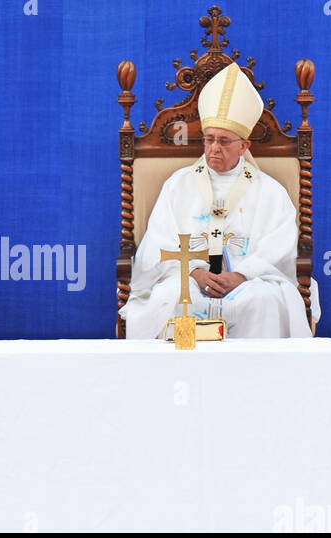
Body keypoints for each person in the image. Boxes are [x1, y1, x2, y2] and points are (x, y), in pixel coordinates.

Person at [120, 64, 312, 339]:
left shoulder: (270, 192)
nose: (213, 149)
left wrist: (241, 274)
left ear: (244, 146)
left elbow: (279, 248)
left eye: (224, 141)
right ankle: (184, 371)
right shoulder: (178, 185)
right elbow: (159, 244)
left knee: (264, 301)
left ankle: (252, 378)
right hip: (188, 279)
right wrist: (195, 272)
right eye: (209, 139)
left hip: (248, 283)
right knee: (177, 297)